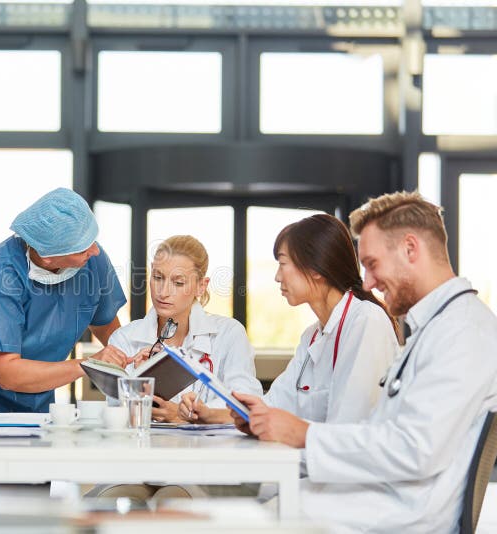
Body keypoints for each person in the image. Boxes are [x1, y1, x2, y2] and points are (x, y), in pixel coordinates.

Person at [234, 192, 497, 532]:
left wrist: (305, 435)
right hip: (382, 498)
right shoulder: (440, 327)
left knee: (248, 517)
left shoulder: (465, 331)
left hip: (402, 515)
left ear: (410, 249)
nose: (368, 282)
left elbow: (413, 449)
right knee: (256, 505)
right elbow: (384, 433)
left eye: (372, 264)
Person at [181, 214, 398, 429]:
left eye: (283, 263)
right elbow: (274, 403)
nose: (277, 276)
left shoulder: (366, 321)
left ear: (315, 269)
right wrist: (211, 415)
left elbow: (350, 425)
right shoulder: (312, 336)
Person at [0, 187, 129, 412]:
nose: (95, 250)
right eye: (82, 248)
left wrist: (129, 360)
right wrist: (90, 365)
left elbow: (105, 323)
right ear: (48, 256)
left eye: (93, 239)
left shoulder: (91, 261)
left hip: (35, 389)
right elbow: (8, 373)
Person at [110, 235, 261, 423]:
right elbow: (115, 415)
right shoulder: (124, 339)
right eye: (157, 278)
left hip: (210, 451)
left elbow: (246, 404)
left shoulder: (229, 334)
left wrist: (185, 416)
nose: (163, 291)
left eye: (178, 282)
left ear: (201, 286)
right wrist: (139, 383)